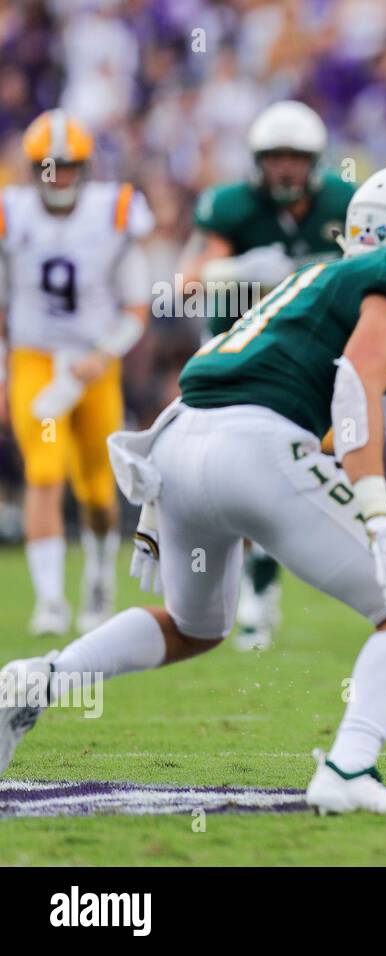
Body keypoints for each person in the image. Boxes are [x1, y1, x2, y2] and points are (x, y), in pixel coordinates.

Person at [1, 164, 386, 811]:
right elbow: (355, 382)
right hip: (252, 443)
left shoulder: (317, 276)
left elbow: (213, 369)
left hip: (179, 440)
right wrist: (375, 508)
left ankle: (38, 680)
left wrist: (160, 498)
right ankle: (348, 768)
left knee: (194, 624)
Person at [177, 100, 356, 652]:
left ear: (315, 161)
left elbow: (371, 265)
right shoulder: (232, 207)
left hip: (306, 360)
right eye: (274, 157)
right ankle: (228, 589)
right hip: (236, 354)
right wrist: (242, 271)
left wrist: (309, 272)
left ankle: (262, 587)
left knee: (292, 471)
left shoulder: (344, 203)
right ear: (258, 161)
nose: (284, 168)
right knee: (227, 476)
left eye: (294, 158)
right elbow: (188, 281)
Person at [0, 109, 154, 637]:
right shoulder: (10, 214)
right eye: (48, 167)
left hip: (94, 365)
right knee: (44, 472)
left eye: (66, 167)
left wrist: (103, 354)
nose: (57, 177)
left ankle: (96, 579)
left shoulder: (113, 210)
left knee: (95, 489)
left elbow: (137, 307)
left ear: (85, 168)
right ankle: (49, 601)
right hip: (35, 359)